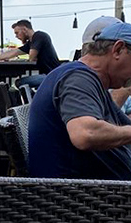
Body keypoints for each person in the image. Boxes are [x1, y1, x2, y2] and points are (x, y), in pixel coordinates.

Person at [28, 22, 131, 179]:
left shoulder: (94, 84)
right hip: (82, 197)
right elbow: (85, 134)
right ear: (118, 49)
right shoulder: (78, 79)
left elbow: (125, 127)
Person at [0, 19, 60, 90]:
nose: (16, 36)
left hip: (52, 75)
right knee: (20, 82)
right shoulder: (31, 42)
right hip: (49, 75)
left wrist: (32, 56)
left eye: (17, 33)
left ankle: (32, 100)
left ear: (24, 29)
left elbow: (31, 56)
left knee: (20, 82)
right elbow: (13, 52)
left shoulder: (39, 36)